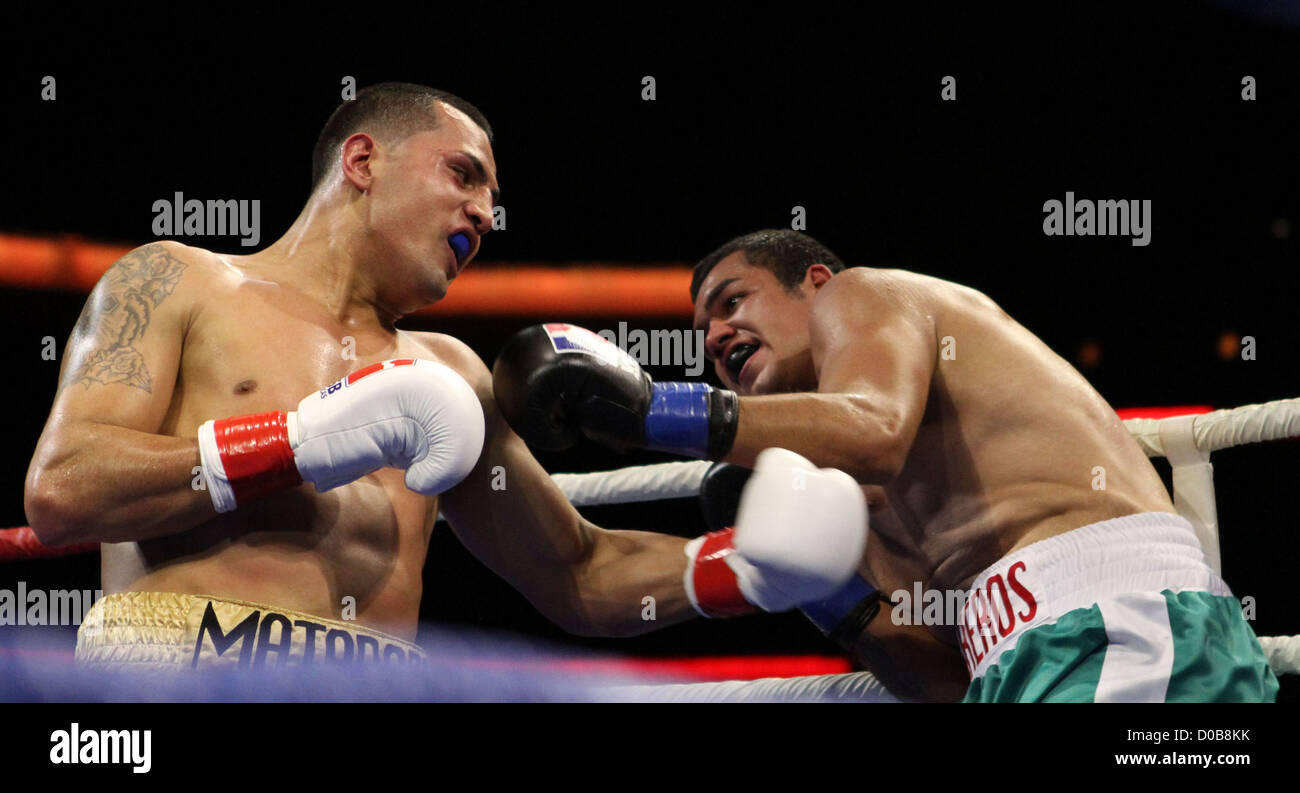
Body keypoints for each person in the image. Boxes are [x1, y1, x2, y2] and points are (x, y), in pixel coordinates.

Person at [23, 84, 865, 672]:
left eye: (493, 197)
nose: (485, 213)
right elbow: (63, 491)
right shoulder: (178, 279)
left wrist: (742, 566)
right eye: (463, 174)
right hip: (182, 664)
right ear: (361, 160)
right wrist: (300, 440)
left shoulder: (447, 373)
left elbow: (576, 570)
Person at [491, 228, 1280, 702]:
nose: (717, 335)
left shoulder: (866, 296)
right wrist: (827, 594)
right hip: (1033, 661)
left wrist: (646, 411)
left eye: (734, 301)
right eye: (702, 328)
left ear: (816, 284)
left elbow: (874, 427)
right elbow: (942, 681)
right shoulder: (836, 487)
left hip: (1124, 620)